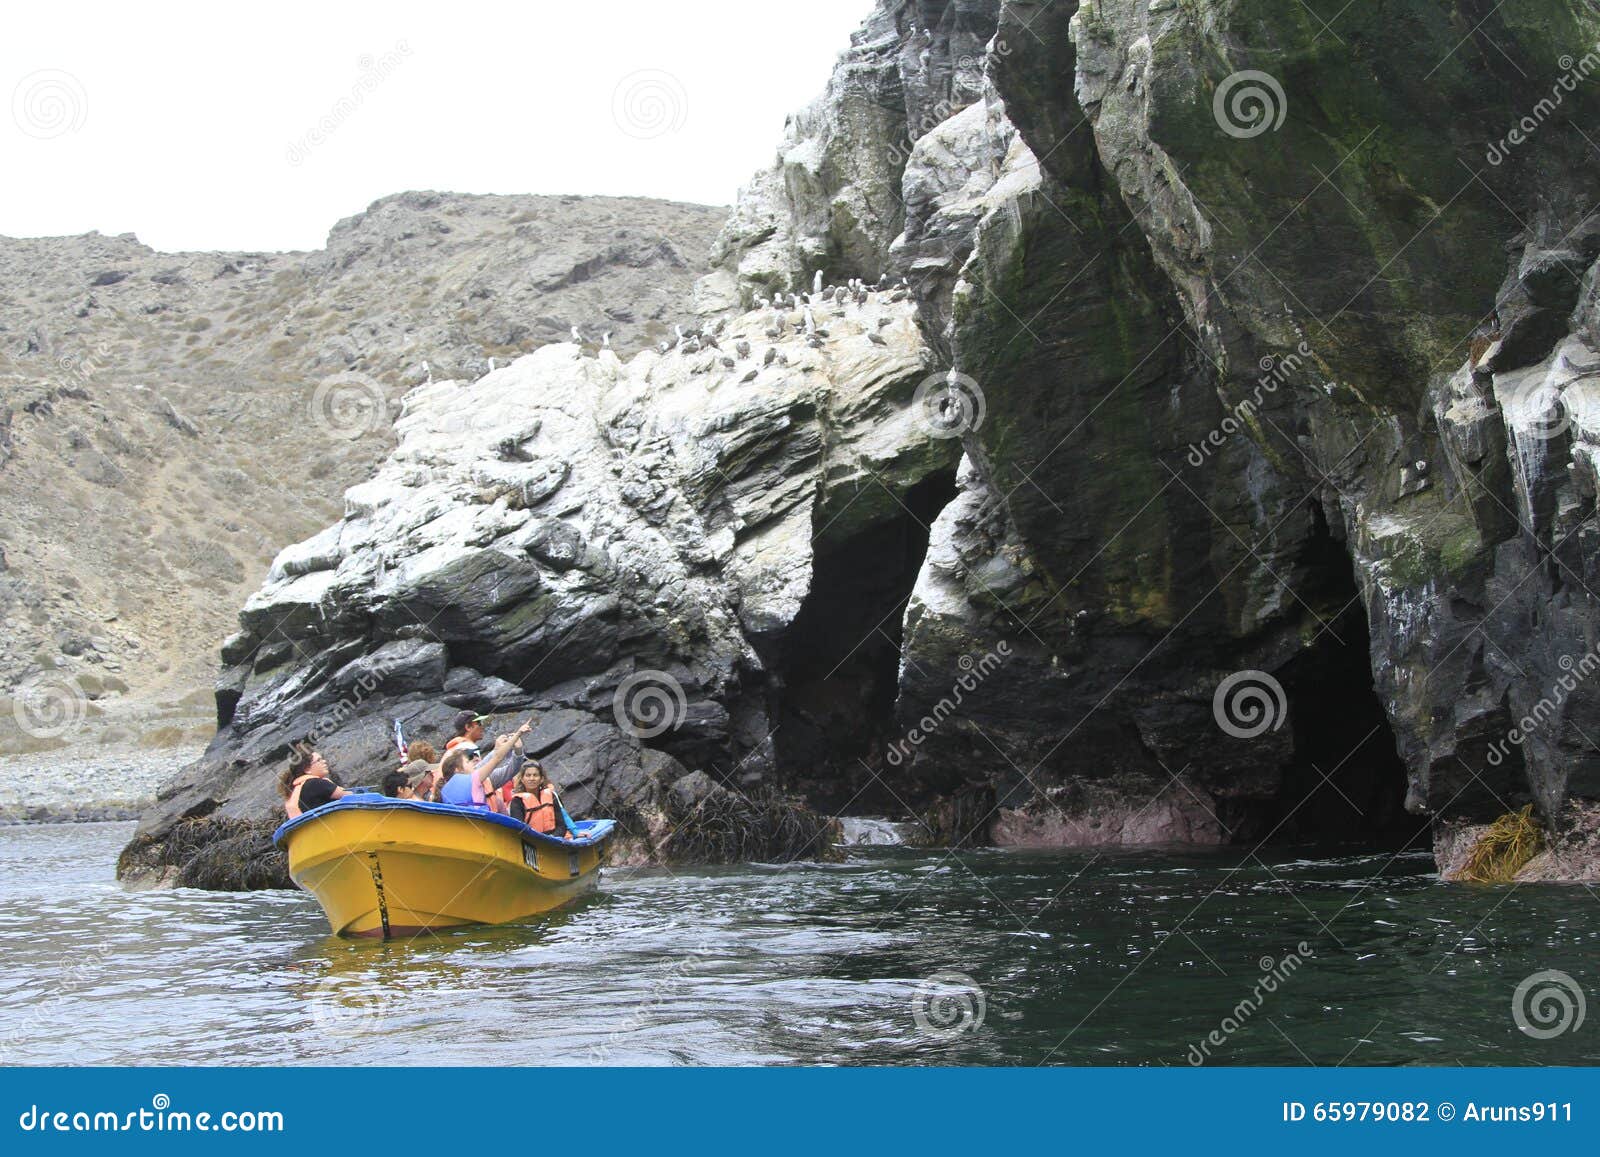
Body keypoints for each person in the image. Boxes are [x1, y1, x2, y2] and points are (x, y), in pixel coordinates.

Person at [438, 723, 529, 809]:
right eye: (467, 761)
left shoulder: (442, 790)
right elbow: (497, 758)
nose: (473, 762)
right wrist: (518, 734)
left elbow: (510, 768)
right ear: (457, 770)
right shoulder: (474, 778)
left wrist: (515, 750)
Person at [508, 762, 573, 839]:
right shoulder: (517, 801)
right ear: (522, 779)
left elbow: (561, 825)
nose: (532, 779)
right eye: (528, 776)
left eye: (535, 775)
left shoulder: (551, 796)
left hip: (554, 838)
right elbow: (518, 829)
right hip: (531, 840)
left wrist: (552, 837)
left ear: (541, 779)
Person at [280, 749, 352, 818]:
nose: (324, 761)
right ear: (307, 769)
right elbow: (350, 796)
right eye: (319, 760)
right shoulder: (315, 783)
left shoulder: (293, 791)